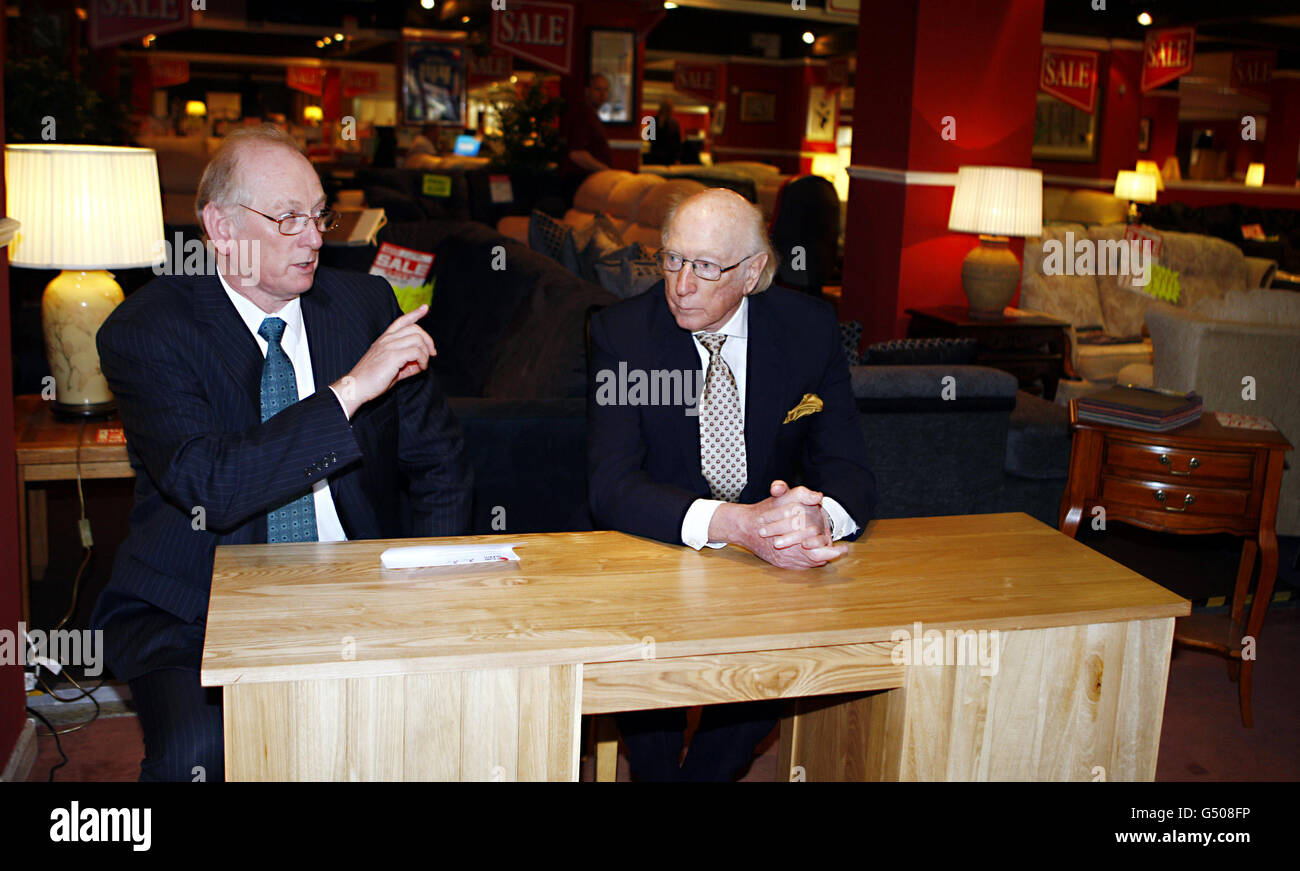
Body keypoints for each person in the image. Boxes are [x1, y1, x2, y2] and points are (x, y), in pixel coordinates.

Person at [92, 125, 473, 781]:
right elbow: (213, 484)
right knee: (197, 756)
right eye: (288, 217)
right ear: (220, 224)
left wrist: (425, 588)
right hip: (193, 604)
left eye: (318, 214)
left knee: (444, 722)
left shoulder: (364, 304)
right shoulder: (148, 328)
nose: (315, 237)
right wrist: (350, 389)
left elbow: (440, 464)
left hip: (351, 588)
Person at [586, 188, 876, 781]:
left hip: (768, 573)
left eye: (705, 267)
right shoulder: (623, 334)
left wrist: (821, 517)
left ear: (752, 273)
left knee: (780, 639)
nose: (681, 285)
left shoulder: (809, 328)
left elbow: (849, 466)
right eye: (671, 259)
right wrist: (734, 524)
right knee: (655, 686)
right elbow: (611, 487)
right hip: (660, 548)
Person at [560, 74, 614, 205]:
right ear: (587, 91)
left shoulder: (590, 115)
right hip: (579, 184)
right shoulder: (583, 115)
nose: (602, 94)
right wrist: (607, 171)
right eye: (598, 89)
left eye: (605, 90)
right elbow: (576, 154)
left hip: (586, 184)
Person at [645, 98, 683, 166]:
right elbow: (651, 139)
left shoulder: (674, 123)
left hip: (670, 158)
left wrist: (677, 158)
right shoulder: (653, 121)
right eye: (667, 108)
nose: (668, 110)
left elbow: (677, 143)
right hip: (655, 158)